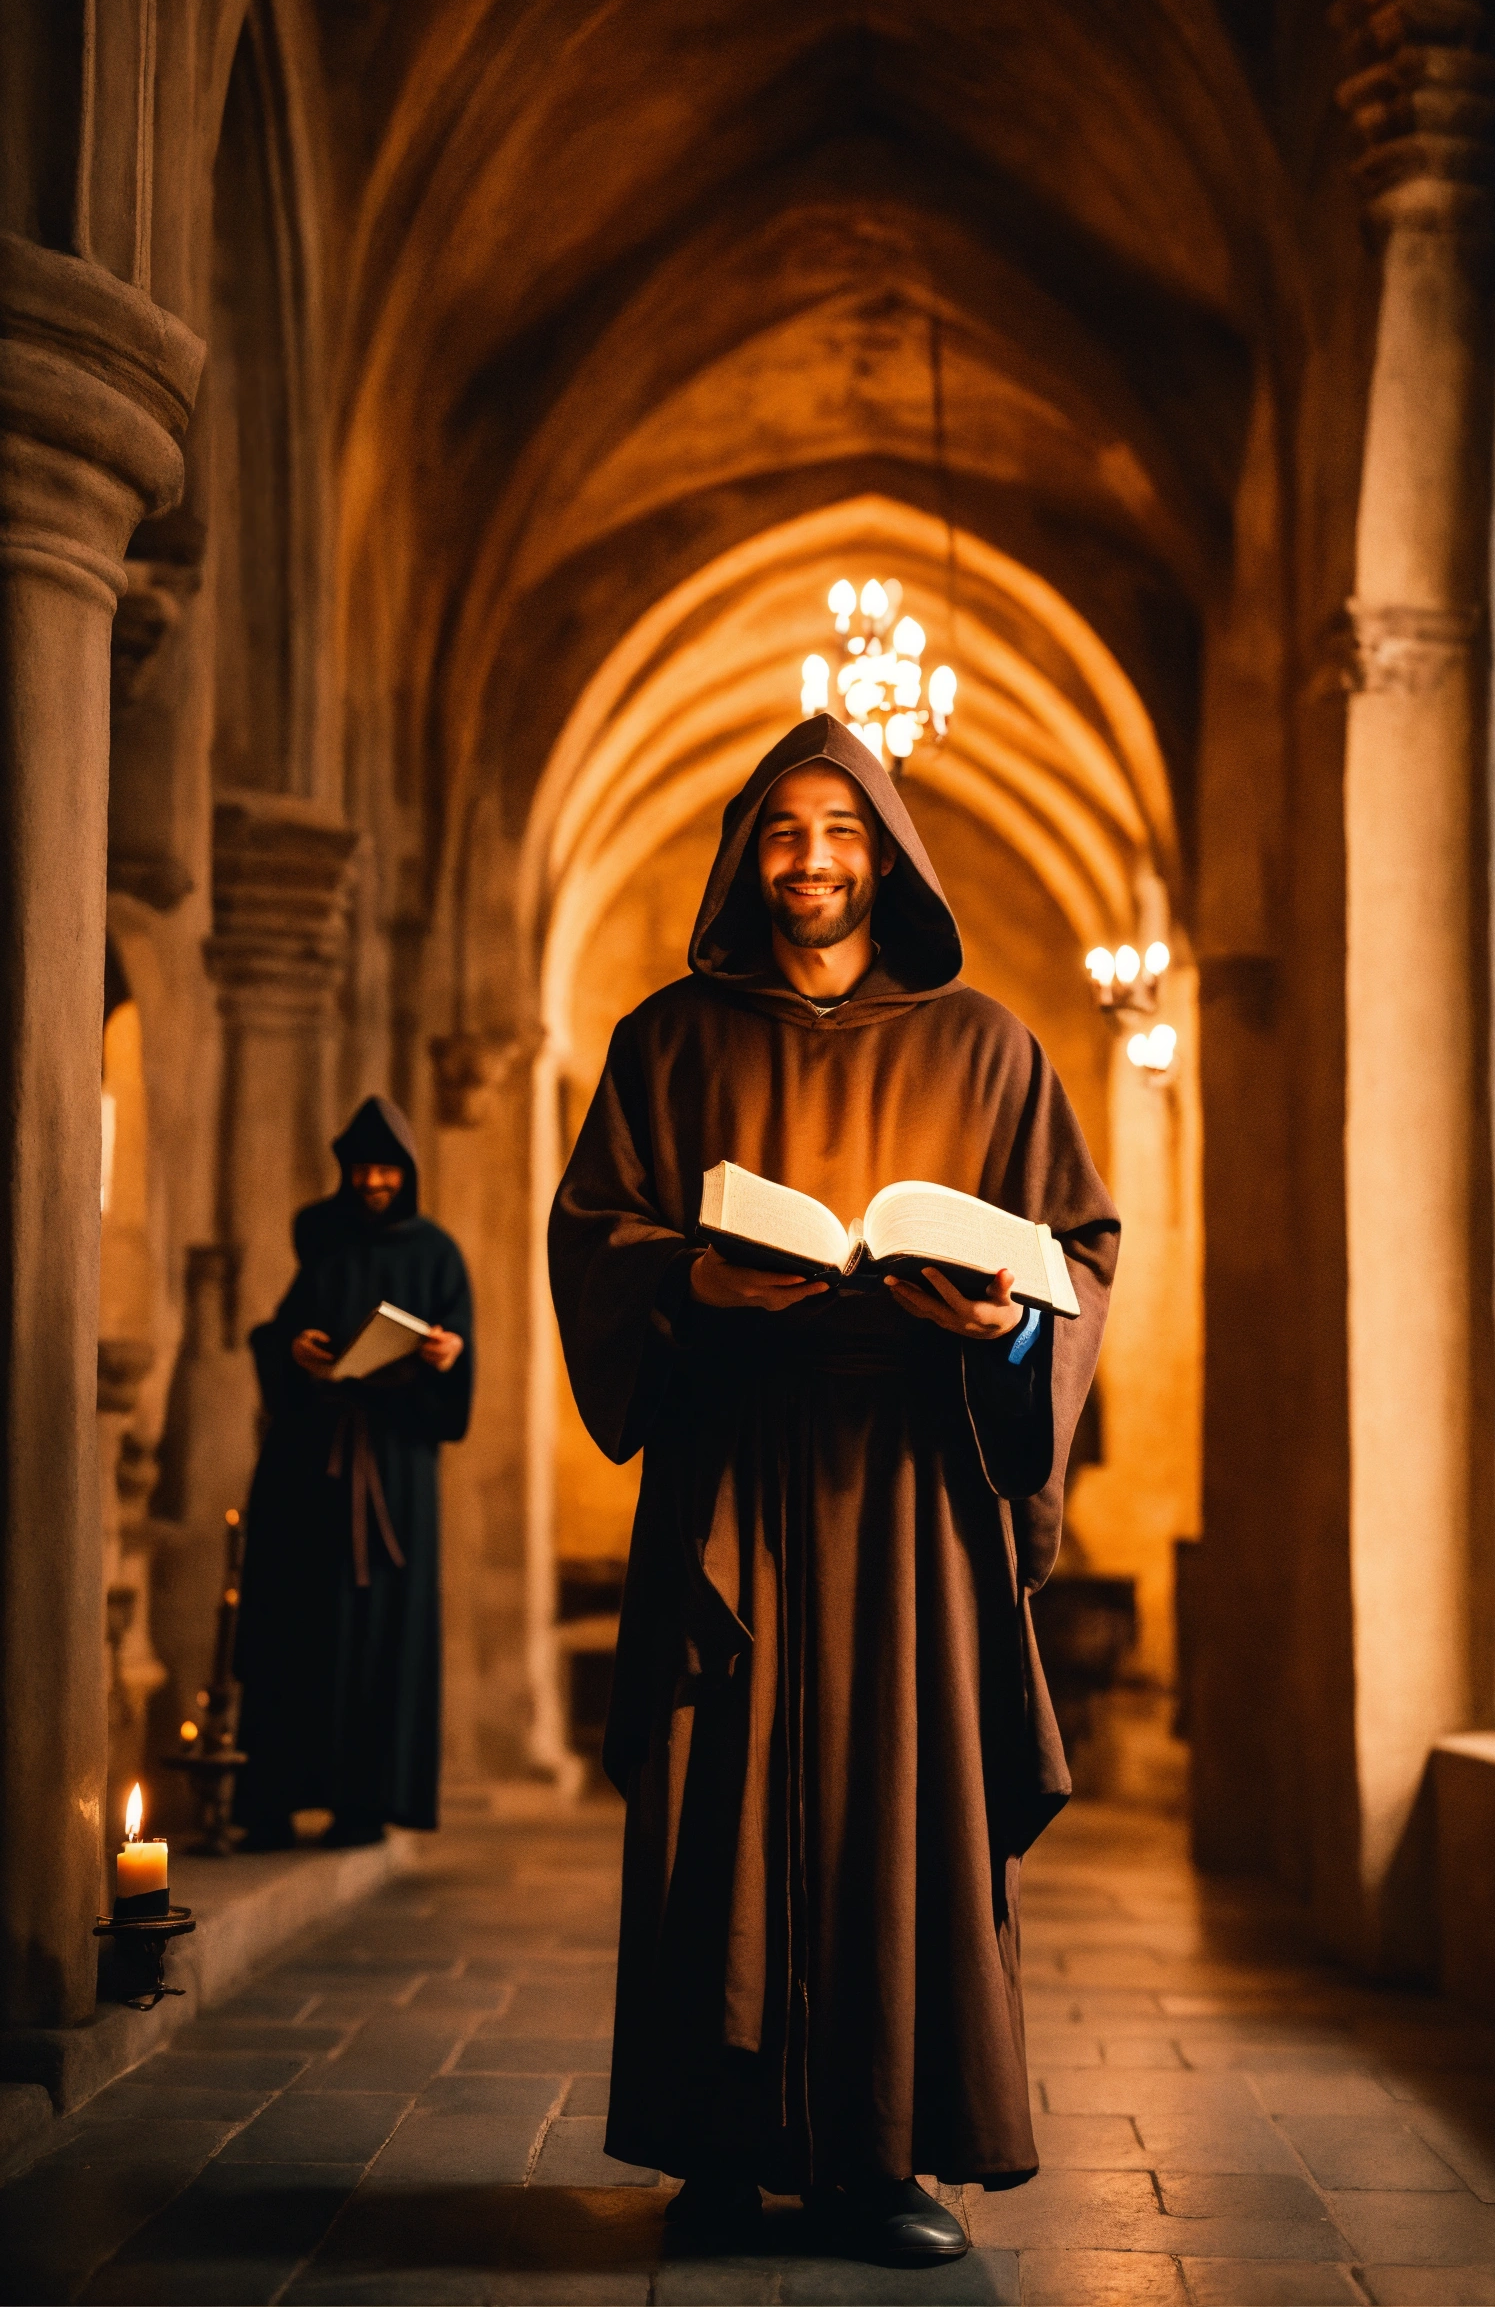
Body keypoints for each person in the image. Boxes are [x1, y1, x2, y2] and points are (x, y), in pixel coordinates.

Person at [548, 715, 1118, 2263]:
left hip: (913, 1493)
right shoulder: (668, 1040)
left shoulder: (989, 1046)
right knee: (716, 1798)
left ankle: (881, 2162)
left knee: (902, 1801)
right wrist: (697, 1283)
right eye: (786, 831)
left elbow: (1077, 1251)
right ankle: (716, 2155)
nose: (813, 859)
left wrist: (1003, 1325)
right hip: (734, 1470)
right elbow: (595, 1237)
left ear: (886, 853)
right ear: (751, 851)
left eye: (842, 831)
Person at [234, 1096, 472, 1850]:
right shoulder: (320, 1234)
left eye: (386, 1169)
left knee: (377, 1633)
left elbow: (456, 1378)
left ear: (407, 1175)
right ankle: (273, 1798)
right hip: (311, 1462)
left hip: (394, 1470)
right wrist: (291, 1351)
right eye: (362, 1168)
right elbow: (280, 1329)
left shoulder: (438, 1254)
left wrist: (446, 1357)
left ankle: (363, 1803)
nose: (373, 1181)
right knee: (292, 1623)